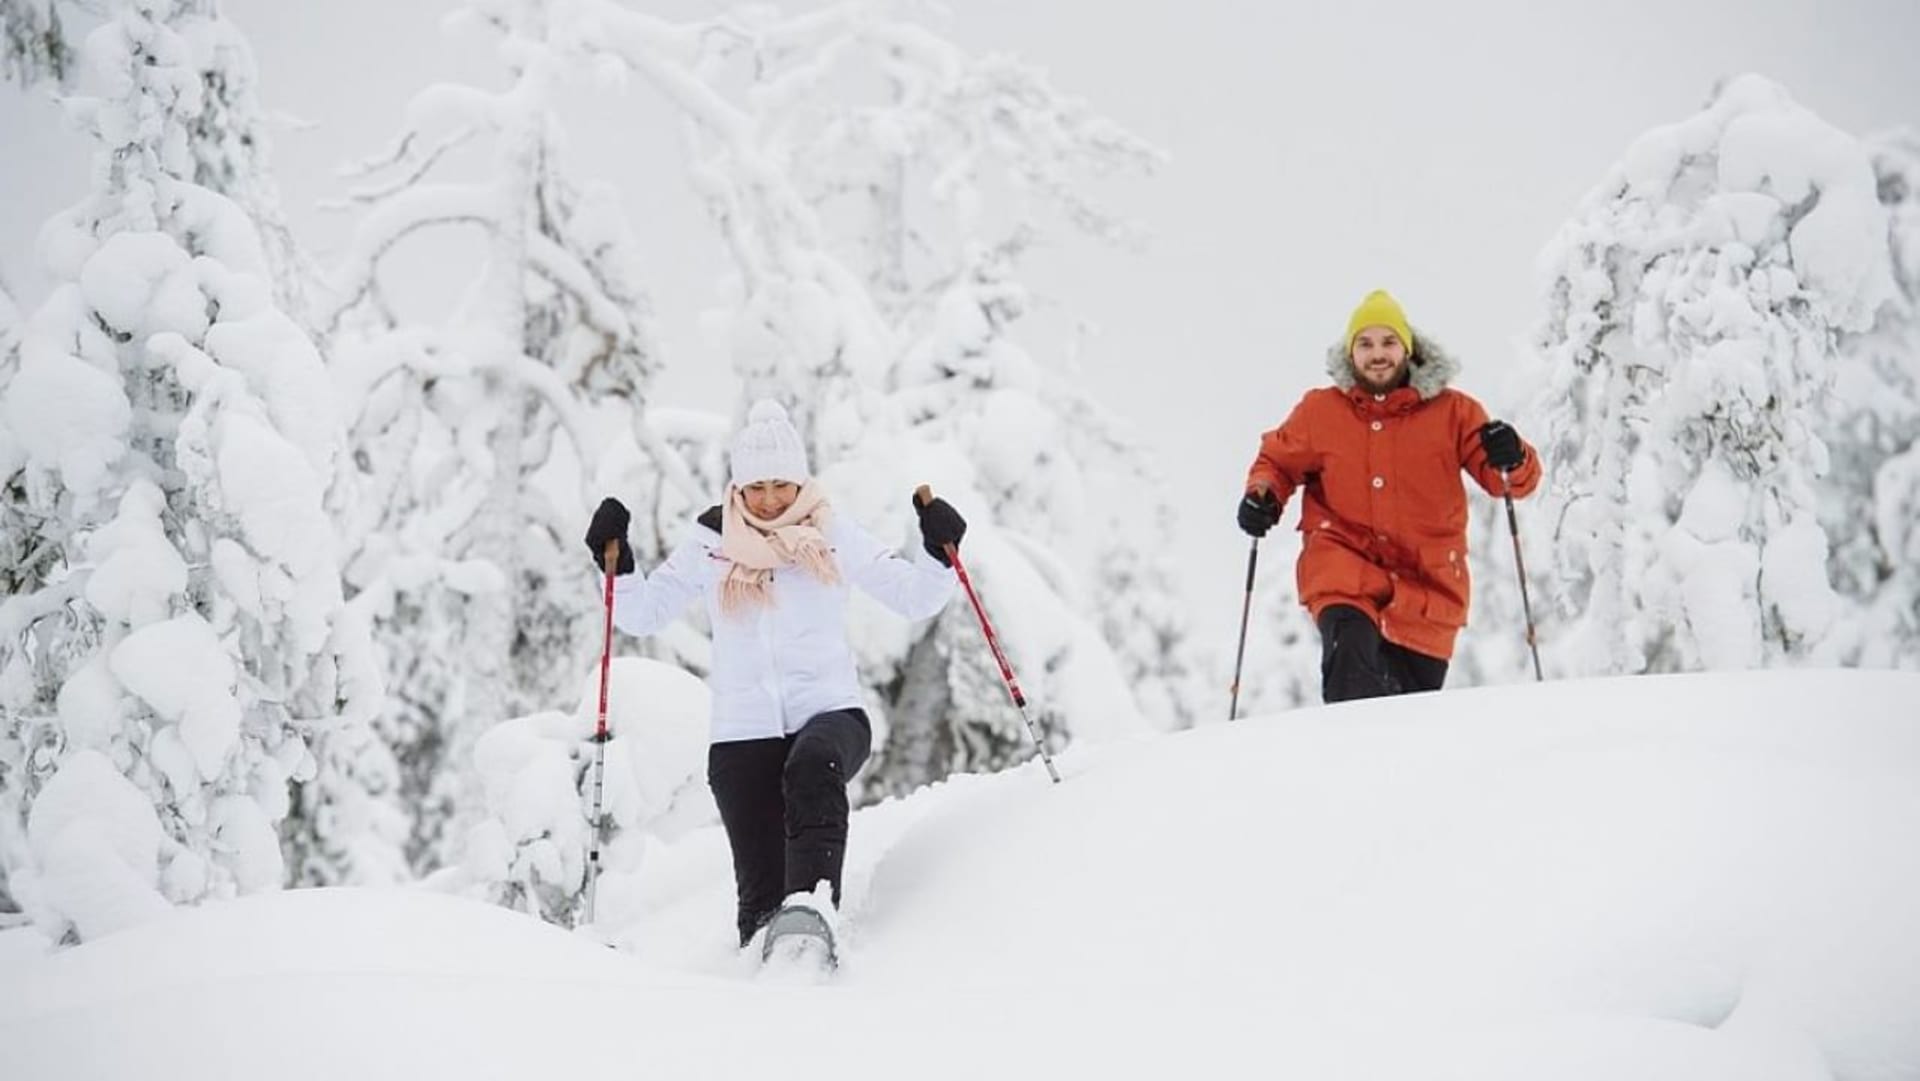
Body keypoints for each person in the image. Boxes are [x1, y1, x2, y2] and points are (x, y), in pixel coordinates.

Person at [583, 399, 966, 947]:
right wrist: (615, 563)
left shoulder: (831, 531)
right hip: (742, 733)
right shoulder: (711, 542)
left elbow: (914, 597)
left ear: (799, 481)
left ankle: (813, 915)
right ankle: (776, 966)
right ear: (738, 487)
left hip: (832, 712)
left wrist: (937, 550)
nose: (768, 500)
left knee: (813, 765)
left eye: (780, 485)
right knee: (760, 904)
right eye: (756, 487)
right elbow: (643, 613)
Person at [1236, 289, 1541, 703]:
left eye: (1388, 342)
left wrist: (1513, 455)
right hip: (1344, 569)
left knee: (1408, 717)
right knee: (1351, 673)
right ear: (1350, 353)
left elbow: (1508, 481)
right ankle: (1350, 762)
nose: (1377, 354)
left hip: (1429, 592)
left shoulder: (1454, 413)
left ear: (1408, 348)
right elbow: (1277, 461)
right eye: (1365, 343)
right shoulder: (1320, 411)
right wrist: (1263, 495)